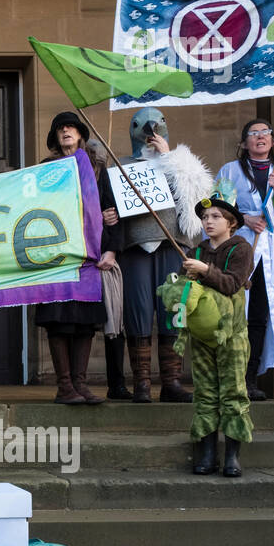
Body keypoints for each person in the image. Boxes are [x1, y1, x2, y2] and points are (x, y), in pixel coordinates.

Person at [114, 107, 211, 403]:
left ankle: (171, 382)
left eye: (155, 126)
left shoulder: (180, 163)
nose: (149, 131)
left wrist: (170, 157)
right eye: (142, 126)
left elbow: (199, 197)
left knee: (173, 312)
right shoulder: (120, 166)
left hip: (172, 246)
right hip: (135, 250)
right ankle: (142, 382)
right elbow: (109, 205)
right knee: (138, 313)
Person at [34, 114, 120, 404]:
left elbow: (111, 213)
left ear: (81, 133)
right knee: (58, 320)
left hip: (89, 257)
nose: (65, 131)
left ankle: (80, 385)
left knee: (84, 321)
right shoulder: (46, 169)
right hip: (56, 255)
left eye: (70, 127)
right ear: (55, 137)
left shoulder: (98, 169)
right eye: (60, 128)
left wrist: (111, 249)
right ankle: (65, 387)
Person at [216, 119, 274, 400]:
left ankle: (250, 379)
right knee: (236, 310)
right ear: (244, 143)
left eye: (265, 133)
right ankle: (230, 376)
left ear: (273, 141)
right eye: (253, 133)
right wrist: (244, 218)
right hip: (242, 248)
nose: (260, 137)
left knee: (260, 316)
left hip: (271, 253)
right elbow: (218, 207)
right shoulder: (230, 170)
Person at [178, 182, 255, 477]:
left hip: (232, 335)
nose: (208, 222)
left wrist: (205, 270)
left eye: (215, 217)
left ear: (231, 223)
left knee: (234, 391)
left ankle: (232, 456)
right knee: (205, 392)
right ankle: (207, 452)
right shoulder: (196, 249)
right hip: (201, 334)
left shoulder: (241, 248)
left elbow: (232, 284)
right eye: (205, 218)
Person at [87, 139, 127, 399]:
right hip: (80, 261)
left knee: (115, 324)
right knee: (79, 326)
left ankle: (117, 383)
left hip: (106, 260)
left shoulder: (110, 181)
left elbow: (119, 217)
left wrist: (112, 251)